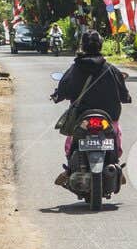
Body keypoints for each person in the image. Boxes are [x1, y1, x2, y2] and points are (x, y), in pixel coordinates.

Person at [52, 31, 131, 185]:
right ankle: (115, 164)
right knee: (116, 135)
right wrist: (126, 97)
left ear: (82, 46)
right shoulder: (111, 69)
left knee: (71, 141)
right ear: (100, 45)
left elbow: (63, 88)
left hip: (81, 117)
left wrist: (57, 96)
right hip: (109, 116)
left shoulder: (75, 68)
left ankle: (69, 170)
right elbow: (123, 93)